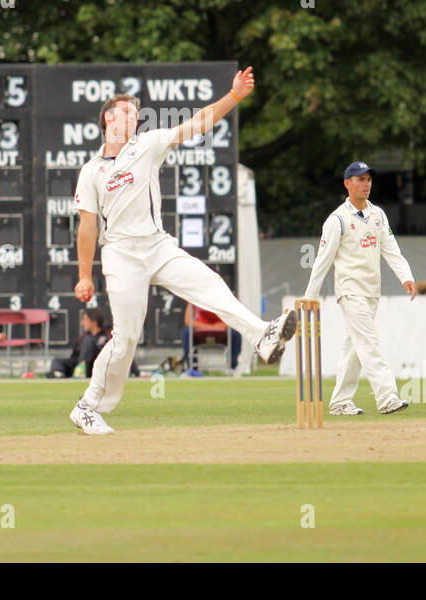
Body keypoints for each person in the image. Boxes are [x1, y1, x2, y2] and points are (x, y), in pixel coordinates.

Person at [69, 66, 297, 434]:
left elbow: (198, 123)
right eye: (127, 112)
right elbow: (87, 226)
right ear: (108, 118)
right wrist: (83, 275)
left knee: (209, 284)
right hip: (121, 254)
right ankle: (87, 406)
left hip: (157, 245)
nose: (135, 117)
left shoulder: (147, 144)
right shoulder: (91, 170)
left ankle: (261, 335)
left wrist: (235, 95)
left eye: (136, 113)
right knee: (126, 336)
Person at [299, 161, 418, 416]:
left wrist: (406, 276)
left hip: (371, 290)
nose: (366, 184)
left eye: (368, 179)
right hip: (350, 291)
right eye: (360, 179)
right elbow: (322, 260)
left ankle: (340, 402)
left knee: (354, 347)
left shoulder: (378, 214)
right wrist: (310, 296)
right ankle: (387, 397)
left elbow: (390, 249)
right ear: (347, 183)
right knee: (369, 342)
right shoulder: (337, 220)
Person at [47, 308, 136, 378]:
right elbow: (73, 358)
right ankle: (59, 374)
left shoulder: (108, 335)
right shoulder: (83, 337)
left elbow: (123, 350)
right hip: (80, 366)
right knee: (56, 361)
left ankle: (79, 372)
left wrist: (137, 371)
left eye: (85, 320)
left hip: (100, 367)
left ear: (94, 322)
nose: (82, 323)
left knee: (88, 341)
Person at [180, 302, 241, 376]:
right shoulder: (195, 296)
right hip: (202, 331)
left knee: (235, 334)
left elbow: (234, 319)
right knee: (187, 333)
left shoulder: (225, 296)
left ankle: (233, 368)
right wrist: (209, 327)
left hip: (222, 331)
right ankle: (192, 369)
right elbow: (188, 321)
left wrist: (221, 325)